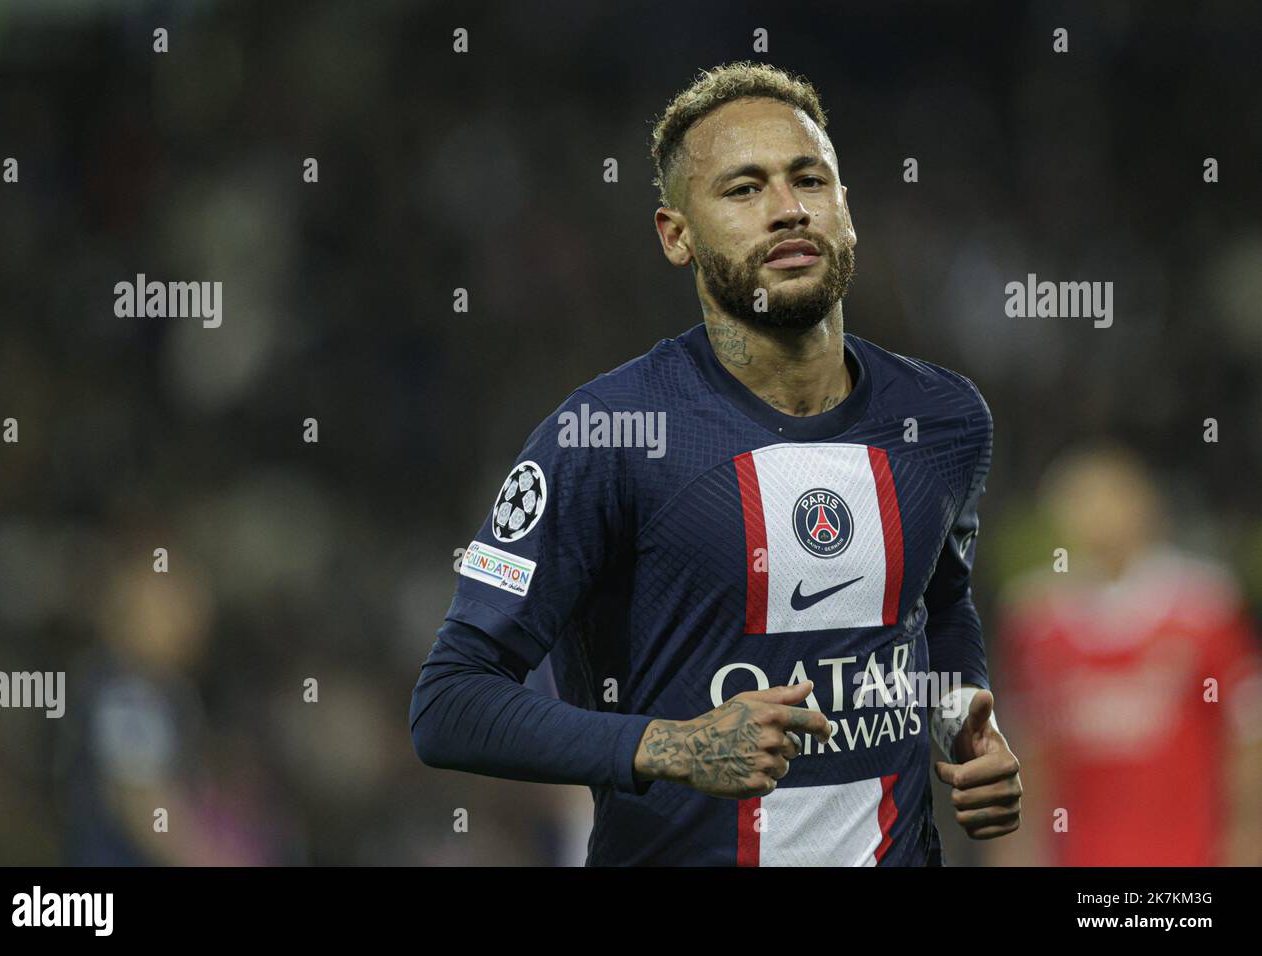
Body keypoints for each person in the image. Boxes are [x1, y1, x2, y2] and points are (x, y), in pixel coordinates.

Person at [410, 61, 1021, 865]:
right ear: (677, 235)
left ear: (847, 210)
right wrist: (668, 747)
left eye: (811, 179)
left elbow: (940, 605)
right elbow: (450, 702)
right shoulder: (606, 435)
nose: (788, 209)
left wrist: (962, 715)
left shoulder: (942, 420)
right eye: (743, 189)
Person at [988, 446, 1262, 866]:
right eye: (1078, 501)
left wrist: (1245, 839)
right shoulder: (1037, 619)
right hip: (1081, 853)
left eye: (1107, 497)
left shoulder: (1204, 605)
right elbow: (1030, 748)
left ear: (1142, 504)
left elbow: (1245, 733)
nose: (1094, 514)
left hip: (1191, 853)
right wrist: (1016, 846)